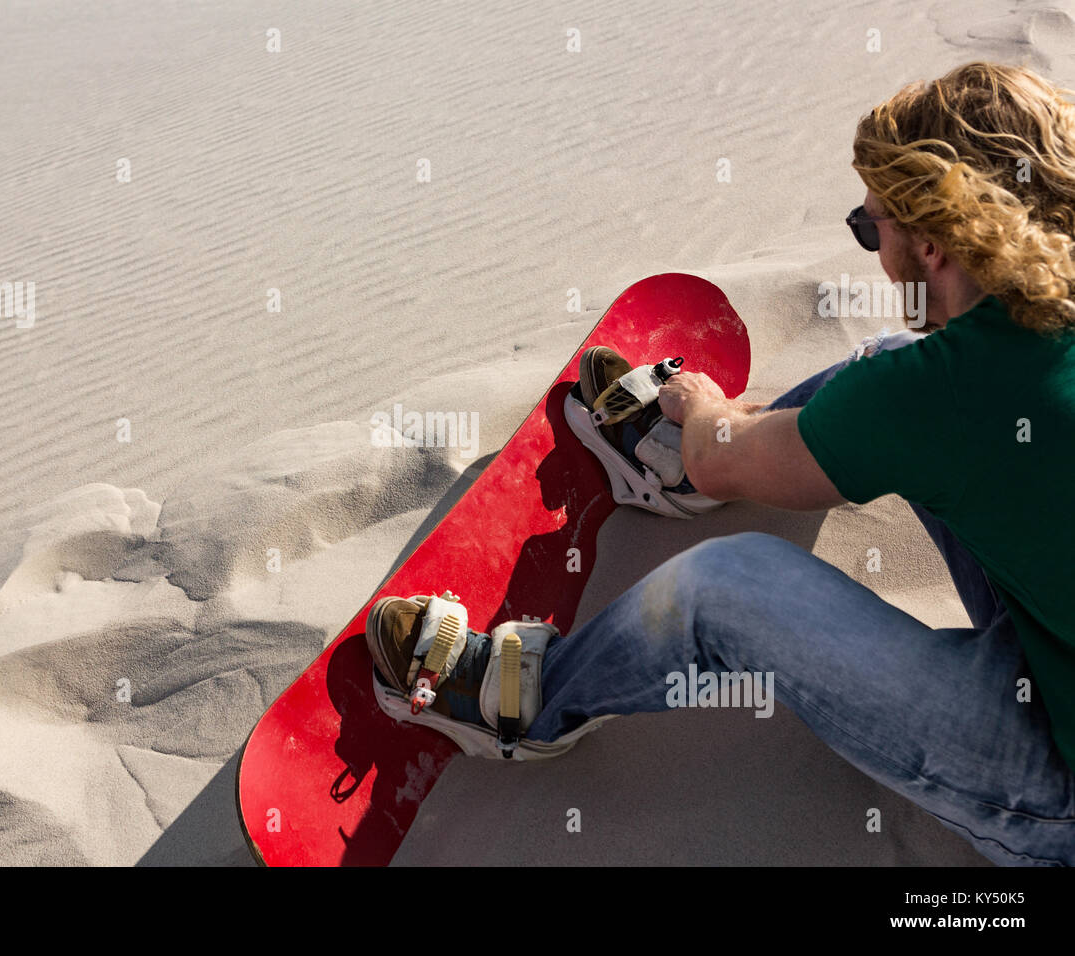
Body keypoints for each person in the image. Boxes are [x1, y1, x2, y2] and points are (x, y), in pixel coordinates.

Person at [367, 61, 1075, 865]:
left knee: (722, 591)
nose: (871, 247)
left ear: (931, 244)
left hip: (1057, 793)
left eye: (868, 227)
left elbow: (731, 458)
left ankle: (526, 705)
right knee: (895, 364)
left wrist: (706, 422)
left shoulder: (945, 389)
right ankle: (678, 462)